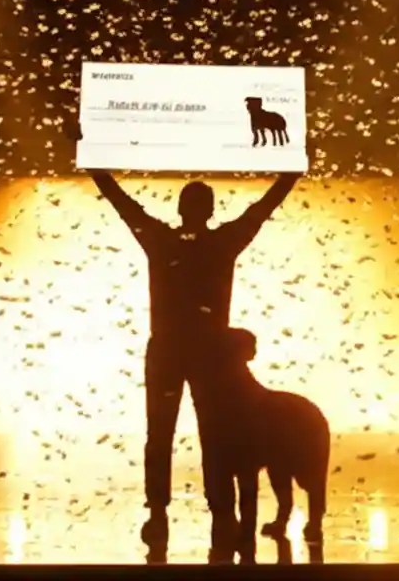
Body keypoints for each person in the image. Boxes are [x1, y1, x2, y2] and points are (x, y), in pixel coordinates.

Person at [88, 169, 300, 560]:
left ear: (181, 208)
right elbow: (262, 209)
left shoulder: (160, 240)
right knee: (216, 436)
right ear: (211, 211)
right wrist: (292, 173)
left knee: (159, 435)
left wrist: (94, 167)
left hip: (167, 350)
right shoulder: (223, 243)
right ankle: (221, 513)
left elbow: (121, 204)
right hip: (210, 355)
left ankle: (158, 513)